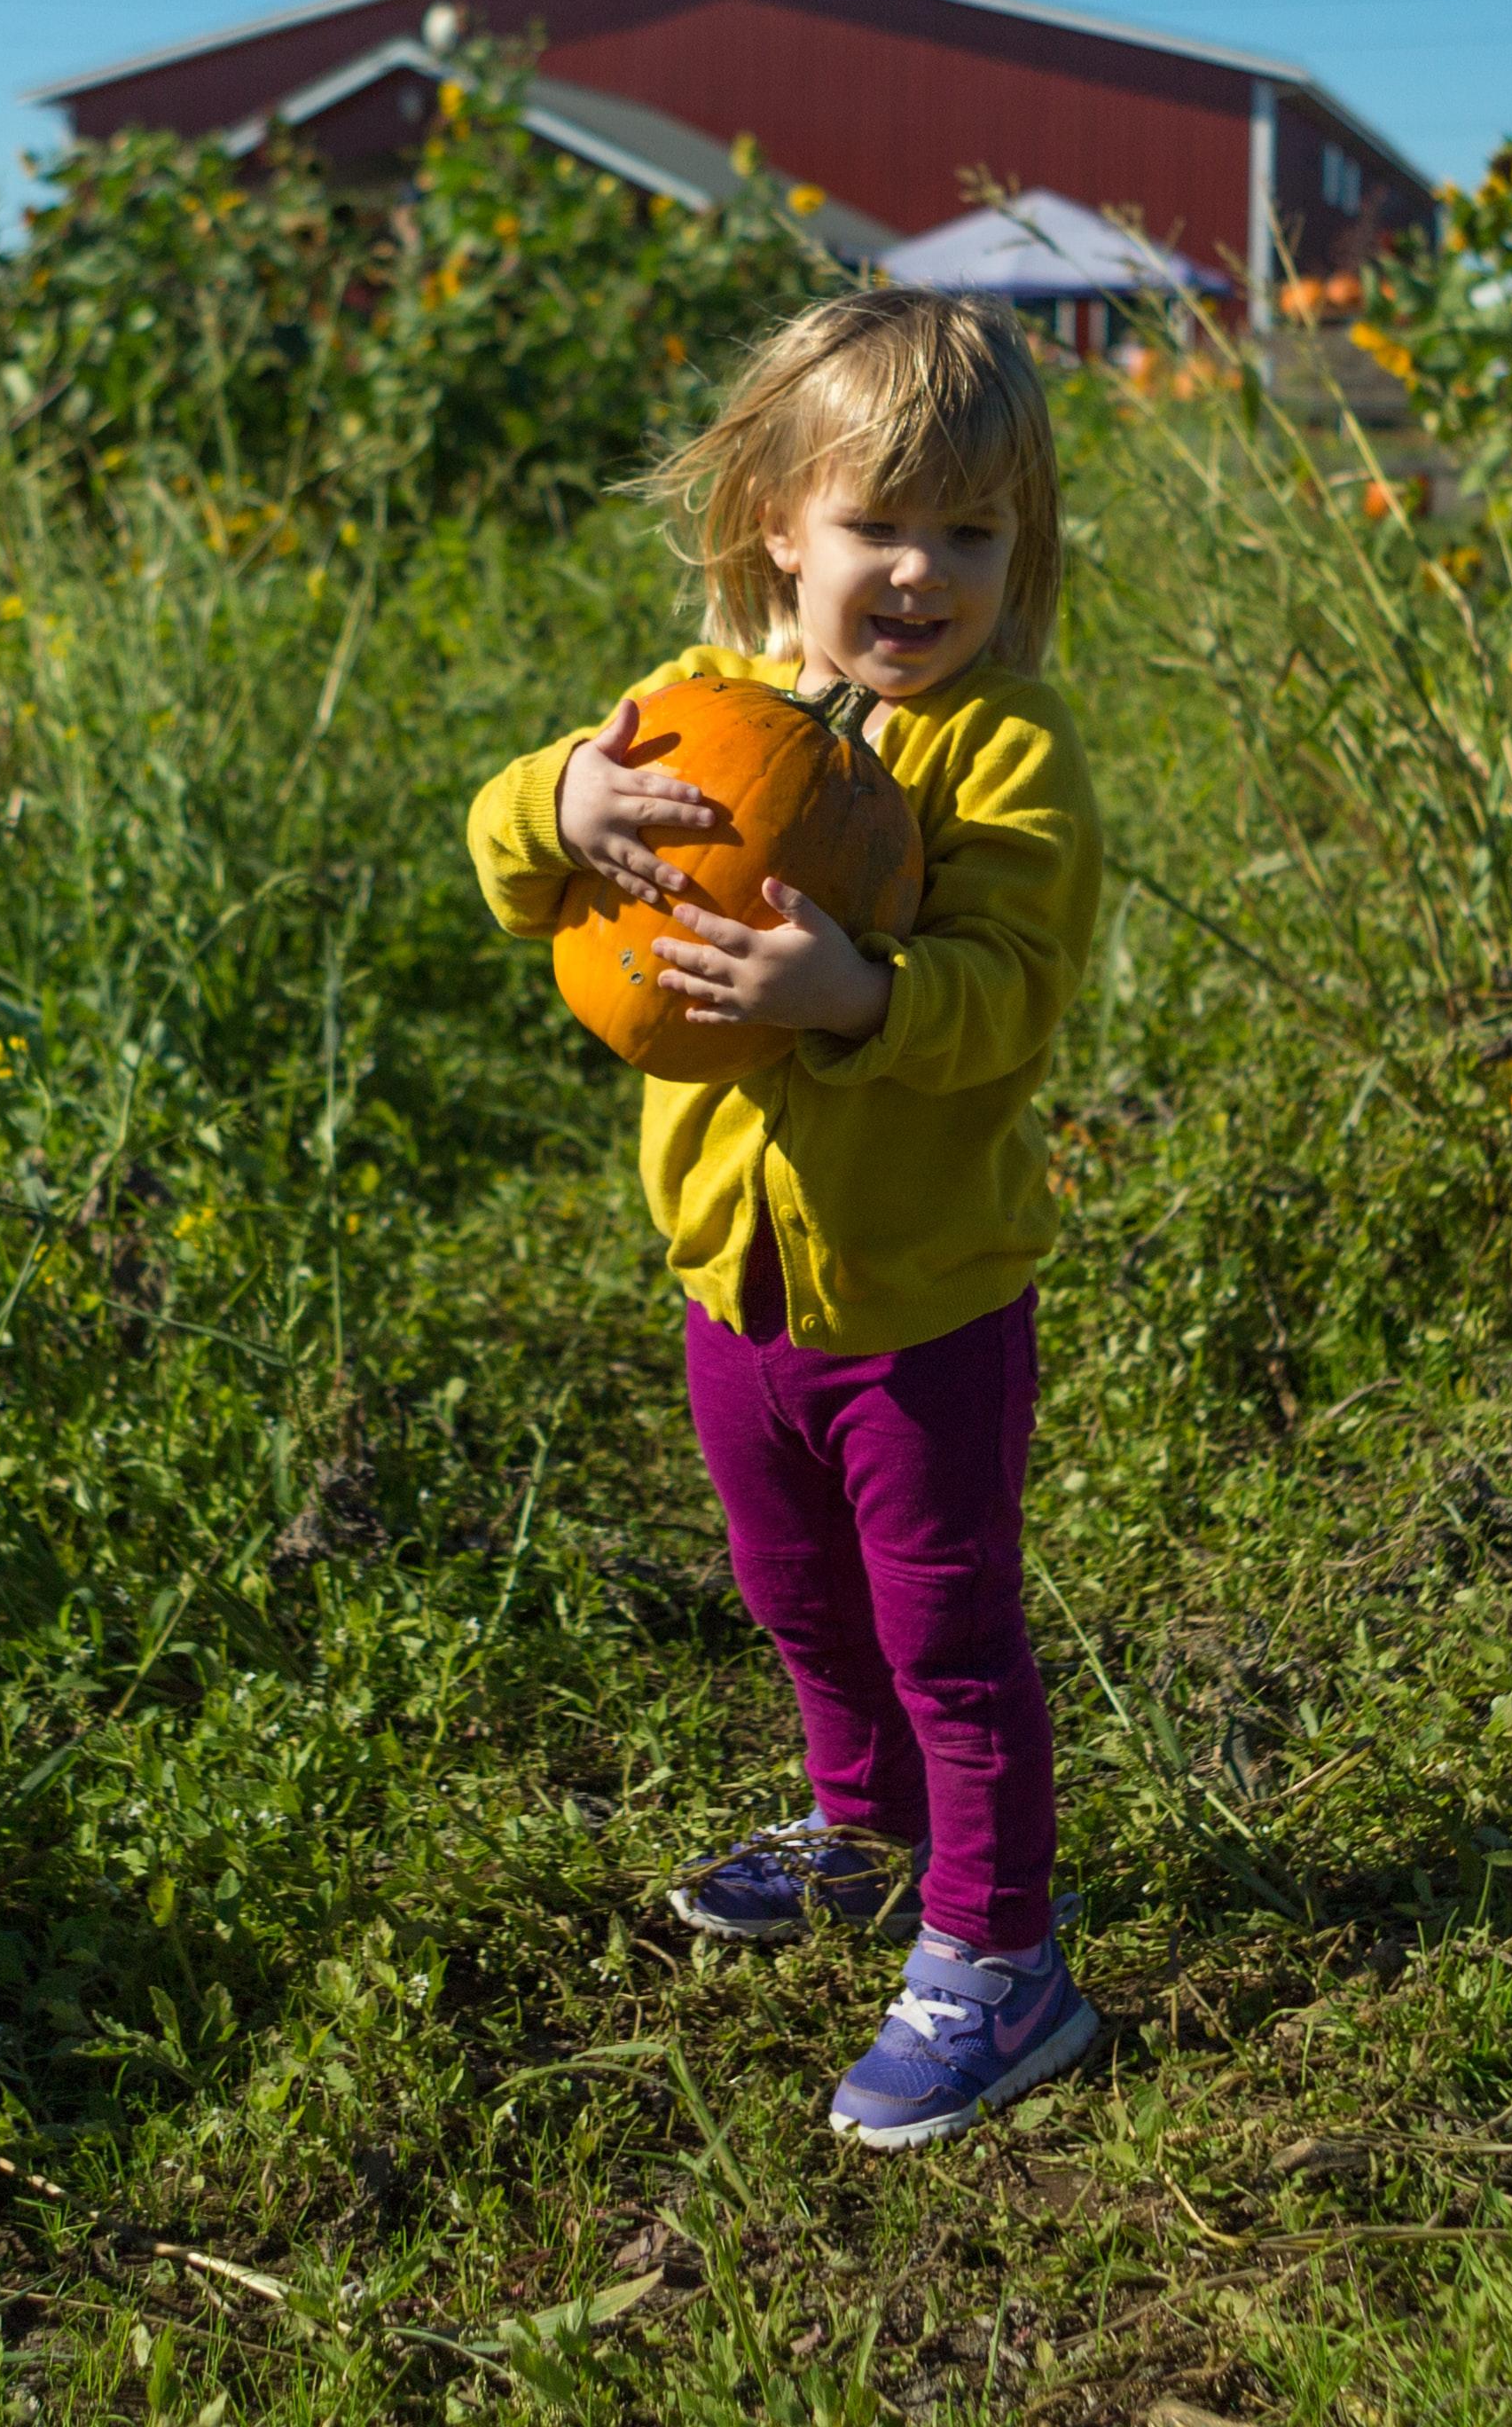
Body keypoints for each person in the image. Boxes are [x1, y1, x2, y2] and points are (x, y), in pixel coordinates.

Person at [461, 288, 1105, 2148]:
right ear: (779, 525)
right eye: (877, 527)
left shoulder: (1005, 754)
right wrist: (561, 794)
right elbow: (510, 858)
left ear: (1019, 551)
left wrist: (865, 998)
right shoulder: (694, 710)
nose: (920, 574)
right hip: (731, 1286)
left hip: (922, 1301)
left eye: (969, 535)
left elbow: (1016, 990)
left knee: (950, 1631)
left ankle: (1002, 1954)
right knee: (793, 1591)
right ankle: (856, 1829)